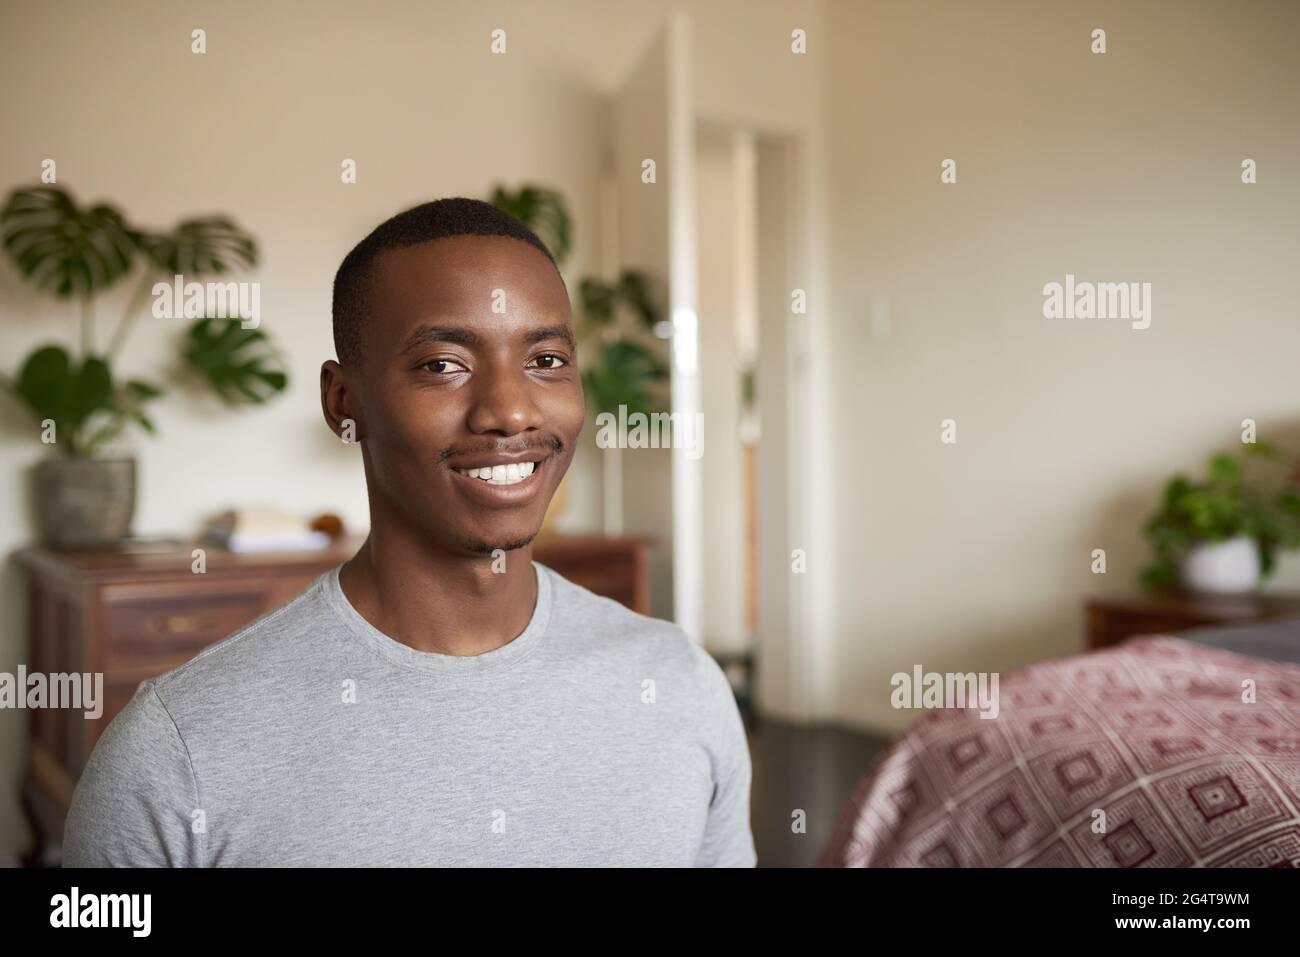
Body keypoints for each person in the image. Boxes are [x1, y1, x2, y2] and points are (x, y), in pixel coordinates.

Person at [63, 198, 757, 867]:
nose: (510, 411)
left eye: (545, 360)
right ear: (345, 401)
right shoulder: (174, 753)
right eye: (443, 365)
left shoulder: (681, 685)